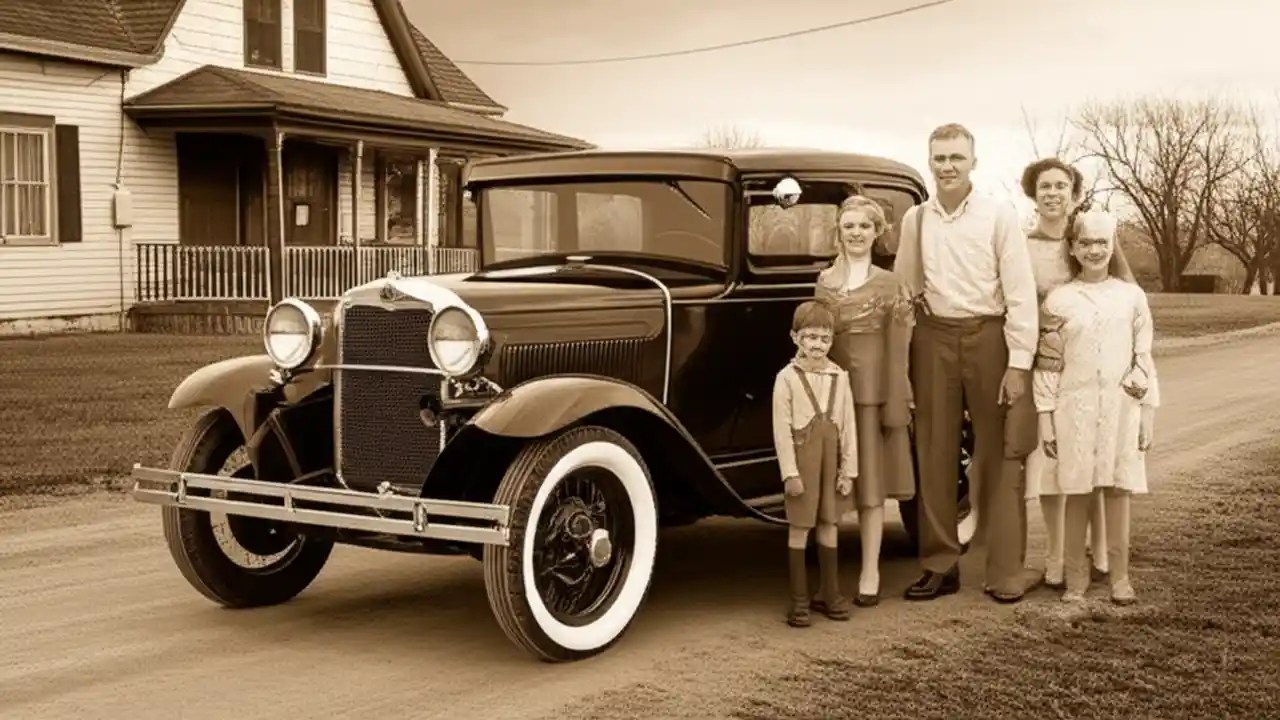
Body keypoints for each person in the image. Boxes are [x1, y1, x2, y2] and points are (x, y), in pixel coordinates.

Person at [892, 123, 1040, 602]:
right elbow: (904, 291)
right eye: (939, 158)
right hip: (934, 335)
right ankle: (940, 564)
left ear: (973, 161)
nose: (948, 166)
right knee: (933, 450)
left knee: (999, 454)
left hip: (989, 334)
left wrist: (1018, 363)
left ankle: (1003, 569)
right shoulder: (916, 219)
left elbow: (1019, 292)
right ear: (930, 162)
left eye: (957, 157)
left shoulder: (999, 217)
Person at [1018, 158, 1137, 589]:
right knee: (1050, 462)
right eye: (1044, 186)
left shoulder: (1091, 234)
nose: (1053, 193)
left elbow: (1128, 290)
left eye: (1061, 186)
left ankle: (1101, 550)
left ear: (1074, 192)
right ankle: (1055, 553)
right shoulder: (1021, 242)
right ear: (1034, 194)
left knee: (1097, 456)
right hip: (1045, 357)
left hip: (1092, 357)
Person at [1034, 209, 1158, 604]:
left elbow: (1144, 356)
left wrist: (1146, 413)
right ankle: (1075, 580)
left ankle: (1120, 577)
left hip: (1122, 408)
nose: (1094, 250)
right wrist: (1046, 421)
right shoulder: (1059, 300)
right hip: (1075, 408)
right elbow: (1048, 365)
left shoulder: (1131, 297)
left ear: (1112, 246)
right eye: (1085, 242)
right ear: (1073, 247)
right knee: (1077, 489)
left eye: (1101, 242)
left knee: (1118, 488)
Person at [812, 195, 916, 607]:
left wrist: (897, 398)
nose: (856, 233)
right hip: (831, 394)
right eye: (849, 226)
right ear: (839, 230)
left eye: (864, 226)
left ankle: (871, 571)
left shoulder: (891, 284)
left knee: (871, 483)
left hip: (872, 392)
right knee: (831, 482)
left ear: (877, 233)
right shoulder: (824, 281)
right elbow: (814, 337)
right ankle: (829, 576)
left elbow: (899, 347)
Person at [771, 300, 859, 626]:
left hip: (830, 461)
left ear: (832, 340)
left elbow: (848, 427)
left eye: (824, 338)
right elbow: (781, 430)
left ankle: (830, 592)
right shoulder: (787, 379)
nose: (817, 345)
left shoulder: (840, 378)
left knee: (829, 523)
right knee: (800, 525)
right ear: (795, 338)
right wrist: (789, 473)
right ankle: (799, 599)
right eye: (810, 337)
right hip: (803, 463)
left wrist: (848, 471)